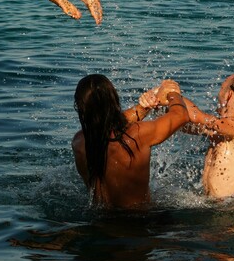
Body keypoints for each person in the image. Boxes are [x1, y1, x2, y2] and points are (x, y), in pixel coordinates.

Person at [71, 75, 190, 209]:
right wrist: (172, 92)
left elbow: (106, 124)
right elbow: (181, 116)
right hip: (140, 221)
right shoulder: (138, 135)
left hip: (101, 220)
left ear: (79, 107)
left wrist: (146, 105)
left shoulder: (79, 142)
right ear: (114, 100)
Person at [179, 74, 234, 198]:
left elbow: (199, 117)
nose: (218, 94)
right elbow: (185, 126)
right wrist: (159, 108)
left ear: (229, 95)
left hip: (232, 210)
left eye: (221, 88)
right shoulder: (224, 130)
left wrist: (173, 94)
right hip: (216, 205)